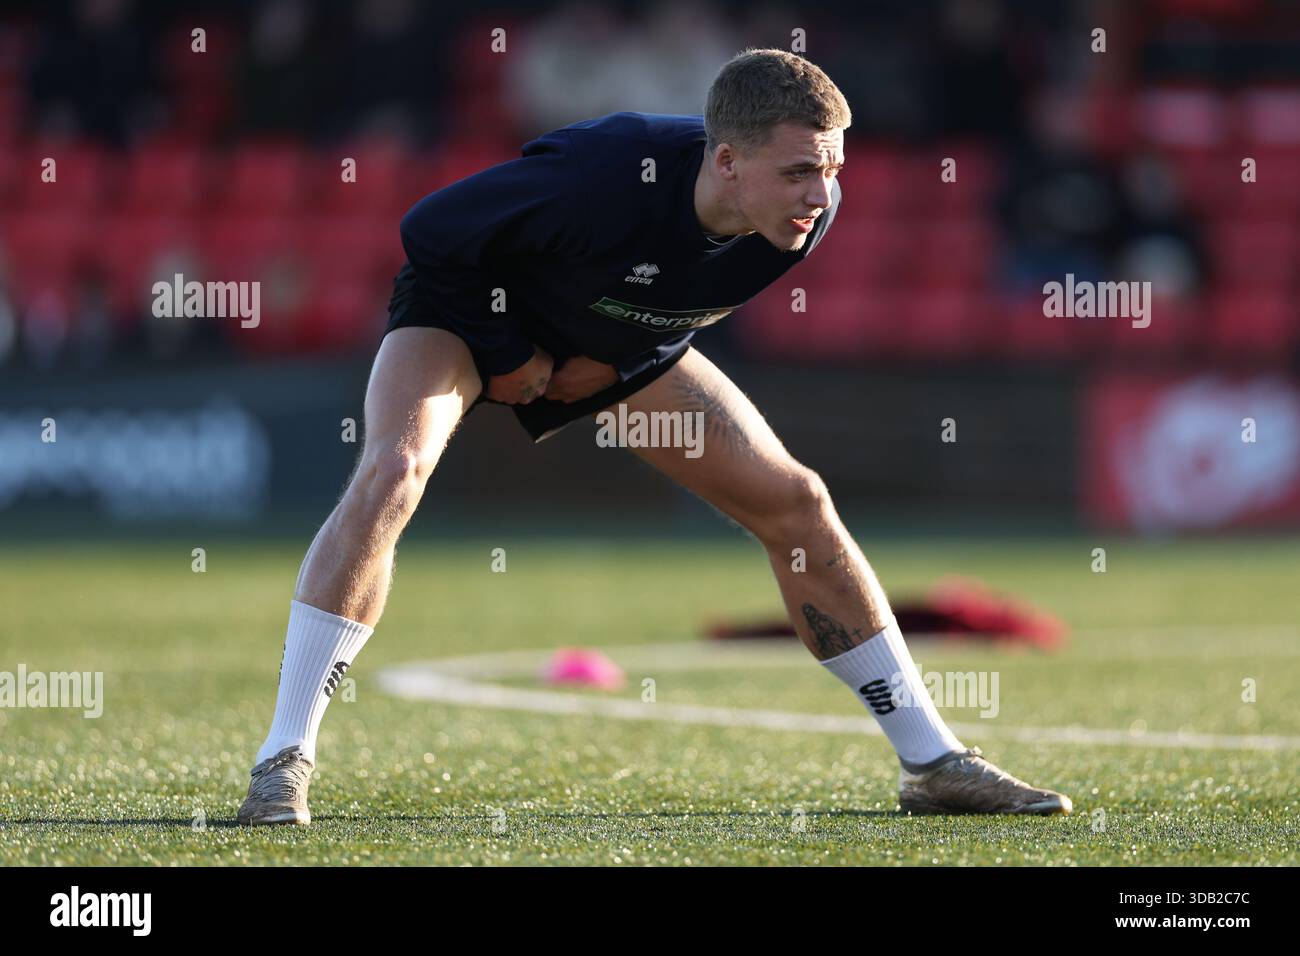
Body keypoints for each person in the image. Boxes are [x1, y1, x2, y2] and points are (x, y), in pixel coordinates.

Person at [239, 47, 1072, 825]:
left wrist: (605, 362)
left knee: (797, 502)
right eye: (798, 172)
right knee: (393, 470)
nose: (821, 195)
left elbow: (677, 294)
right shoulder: (604, 173)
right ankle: (283, 758)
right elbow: (431, 232)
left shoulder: (804, 212)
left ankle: (932, 764)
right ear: (726, 161)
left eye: (831, 169)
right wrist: (512, 352)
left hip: (614, 342)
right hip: (467, 317)